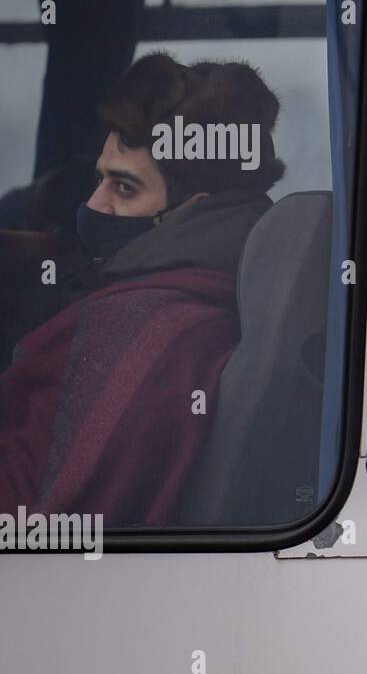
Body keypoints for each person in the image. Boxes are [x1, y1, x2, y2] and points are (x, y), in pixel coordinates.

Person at [0, 52, 285, 525]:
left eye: (125, 188)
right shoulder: (198, 298)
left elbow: (36, 521)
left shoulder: (138, 326)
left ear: (194, 207)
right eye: (99, 179)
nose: (94, 204)